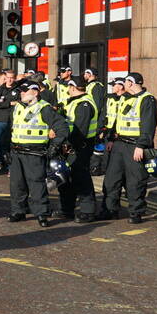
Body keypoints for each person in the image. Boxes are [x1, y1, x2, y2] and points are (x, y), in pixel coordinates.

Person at [8, 80, 68, 227]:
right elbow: (11, 129)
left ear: (35, 92)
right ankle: (18, 211)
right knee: (17, 184)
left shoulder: (44, 108)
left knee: (36, 184)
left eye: (25, 90)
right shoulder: (18, 108)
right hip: (17, 151)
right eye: (21, 90)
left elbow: (62, 127)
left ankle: (41, 213)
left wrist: (55, 146)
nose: (21, 93)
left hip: (34, 153)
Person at [99, 73, 157, 223]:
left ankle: (135, 212)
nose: (123, 84)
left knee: (135, 180)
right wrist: (111, 138)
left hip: (135, 145)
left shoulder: (147, 100)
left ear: (131, 83)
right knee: (112, 179)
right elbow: (117, 120)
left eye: (125, 82)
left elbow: (148, 125)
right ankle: (110, 209)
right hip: (119, 143)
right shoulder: (124, 97)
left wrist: (141, 145)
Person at [59, 78, 99, 222]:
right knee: (66, 178)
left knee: (81, 178)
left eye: (69, 86)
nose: (67, 89)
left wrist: (69, 146)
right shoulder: (74, 101)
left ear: (73, 87)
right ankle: (67, 209)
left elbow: (80, 130)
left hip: (80, 146)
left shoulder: (84, 104)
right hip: (70, 145)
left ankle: (88, 211)